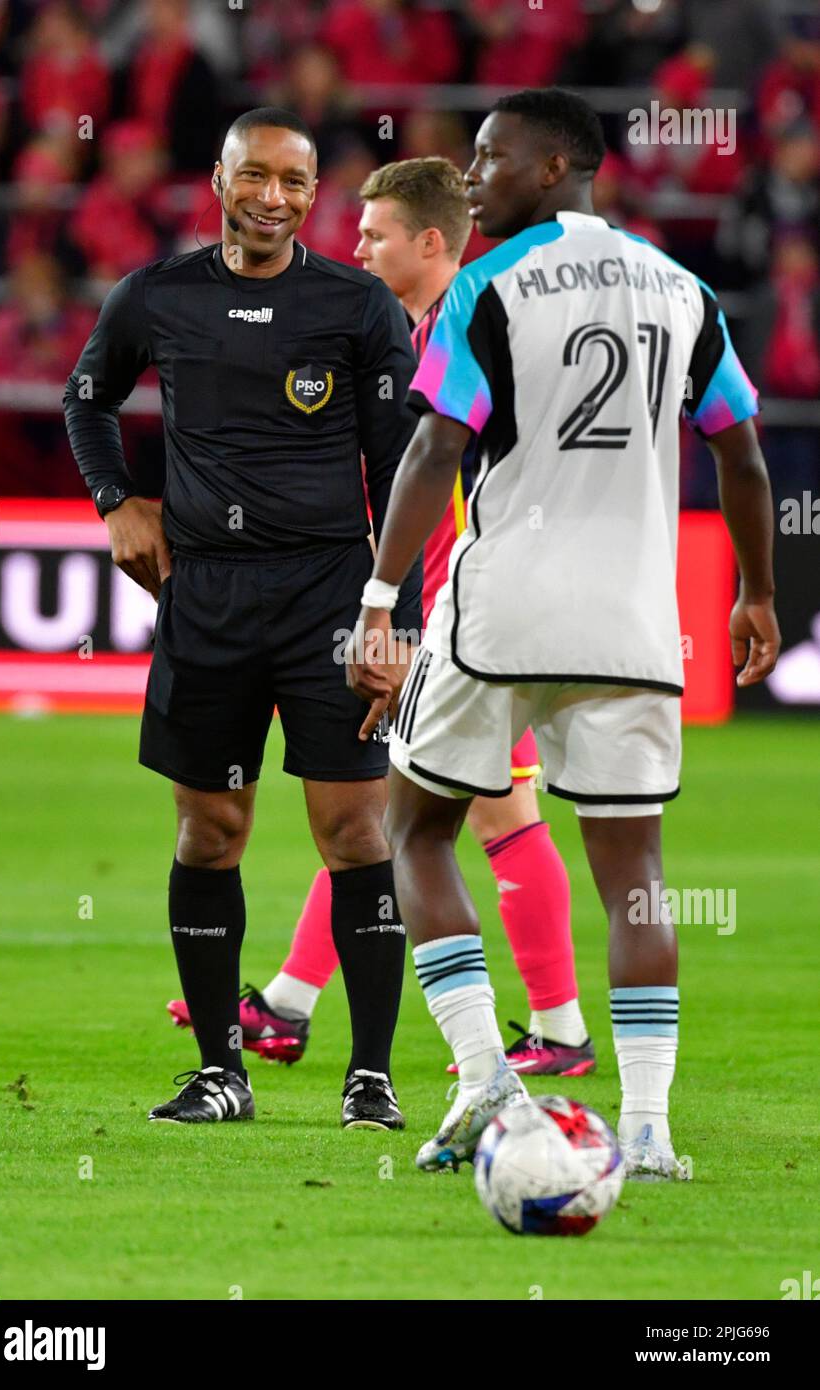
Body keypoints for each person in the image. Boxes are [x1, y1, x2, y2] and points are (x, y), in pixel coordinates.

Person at [348, 88, 781, 1179]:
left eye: (491, 158)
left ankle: (486, 1074)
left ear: (552, 168)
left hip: (499, 611)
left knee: (417, 831)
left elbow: (435, 446)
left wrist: (376, 598)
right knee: (633, 872)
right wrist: (756, 596)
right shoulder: (684, 290)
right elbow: (739, 450)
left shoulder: (487, 284)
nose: (473, 175)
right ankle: (645, 1129)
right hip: (636, 624)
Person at [174, 157, 596, 1082]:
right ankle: (289, 1002)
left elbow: (464, 477)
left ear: (431, 241)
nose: (355, 247)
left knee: (489, 813)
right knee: (387, 809)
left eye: (375, 234)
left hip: (475, 608)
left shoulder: (468, 327)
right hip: (457, 605)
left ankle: (559, 1028)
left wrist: (408, 612)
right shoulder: (424, 328)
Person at [64, 107, 422, 1131]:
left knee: (353, 830)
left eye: (295, 183)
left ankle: (370, 1076)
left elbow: (399, 466)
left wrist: (391, 614)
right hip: (206, 598)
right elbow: (86, 398)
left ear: (317, 196)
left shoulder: (355, 307)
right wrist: (115, 501)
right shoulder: (157, 295)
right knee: (209, 829)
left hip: (329, 597)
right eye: (253, 176)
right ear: (218, 180)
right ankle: (222, 1071)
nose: (272, 197)